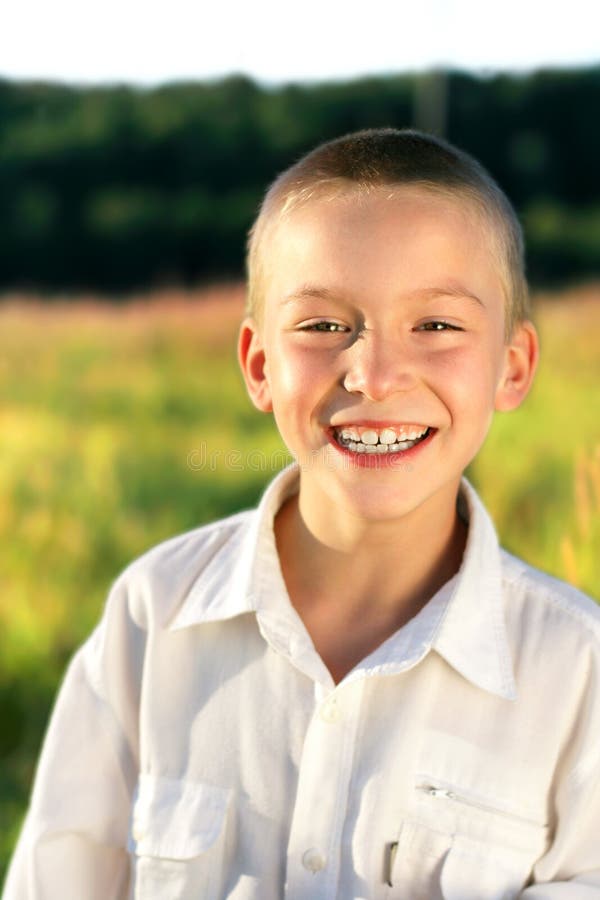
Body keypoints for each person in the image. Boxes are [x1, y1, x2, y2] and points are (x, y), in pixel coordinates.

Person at [4, 128, 600, 900]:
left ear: (512, 367)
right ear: (258, 365)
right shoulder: (152, 617)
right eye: (323, 326)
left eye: (437, 325)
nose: (376, 374)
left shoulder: (577, 673)